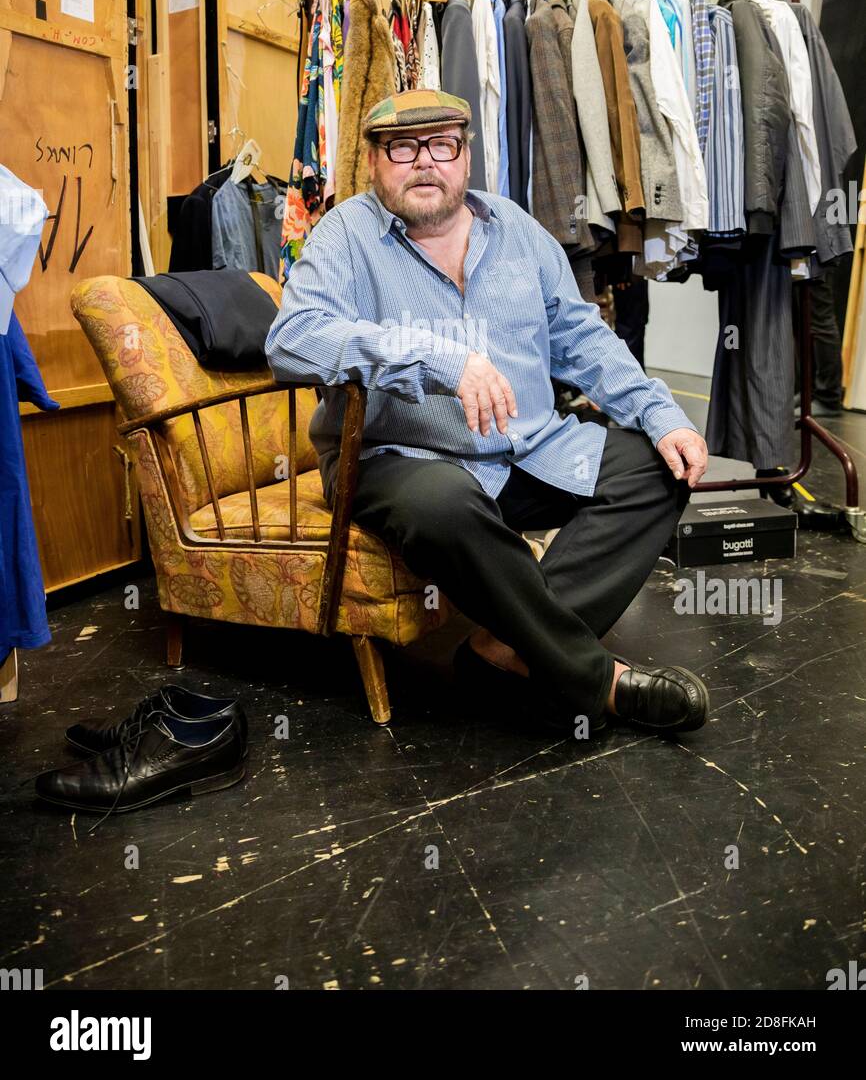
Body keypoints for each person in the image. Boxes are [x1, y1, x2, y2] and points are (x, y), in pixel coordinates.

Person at [266, 90, 710, 737]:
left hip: (527, 449)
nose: (425, 163)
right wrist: (437, 359)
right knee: (443, 503)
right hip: (405, 458)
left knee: (658, 466)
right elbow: (292, 340)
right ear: (371, 161)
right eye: (402, 148)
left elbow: (583, 339)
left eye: (442, 145)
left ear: (466, 155)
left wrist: (660, 412)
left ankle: (503, 653)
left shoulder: (517, 231)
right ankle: (596, 679)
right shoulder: (344, 236)